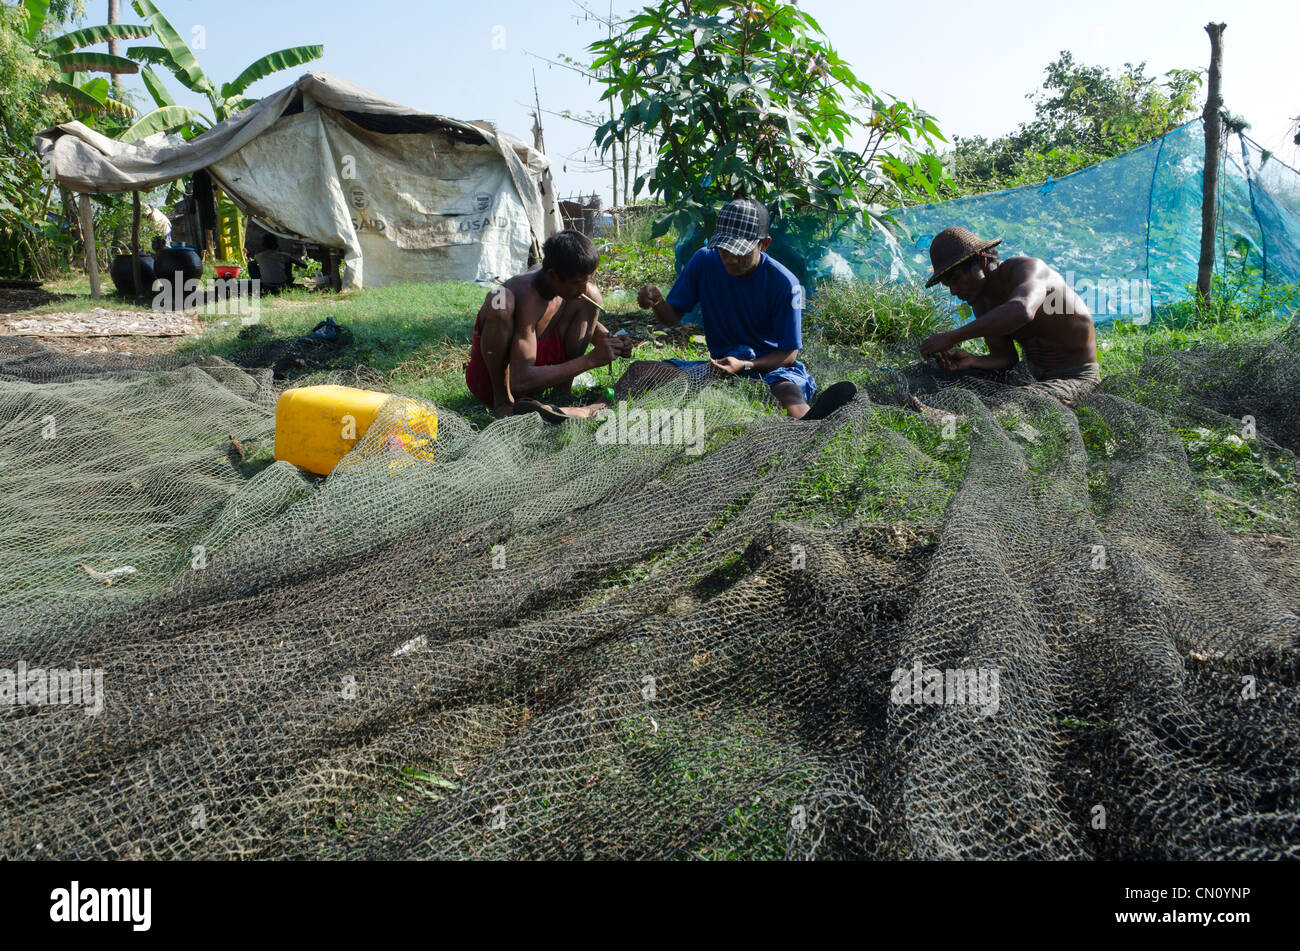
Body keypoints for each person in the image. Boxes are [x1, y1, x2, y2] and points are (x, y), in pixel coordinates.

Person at [632, 198, 853, 420]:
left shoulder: (786, 284)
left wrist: (746, 365)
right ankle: (599, 408)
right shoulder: (704, 262)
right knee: (640, 371)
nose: (730, 259)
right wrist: (658, 303)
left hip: (771, 368)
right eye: (724, 249)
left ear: (764, 244)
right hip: (719, 367)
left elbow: (788, 353)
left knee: (788, 391)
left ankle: (808, 424)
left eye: (741, 252)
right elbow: (671, 317)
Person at [918, 227, 1100, 405]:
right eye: (946, 284)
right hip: (1030, 373)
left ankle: (953, 419)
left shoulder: (1027, 269)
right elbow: (1005, 357)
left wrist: (952, 336)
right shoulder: (981, 301)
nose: (953, 290)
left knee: (1015, 402)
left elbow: (1022, 310)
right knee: (946, 378)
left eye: (956, 278)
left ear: (981, 262)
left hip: (1076, 376)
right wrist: (972, 360)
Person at [464, 229, 633, 419]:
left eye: (587, 280)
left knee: (591, 296)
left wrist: (610, 341)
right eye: (578, 282)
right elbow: (519, 381)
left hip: (539, 375)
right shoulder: (526, 295)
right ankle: (502, 402)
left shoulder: (563, 283)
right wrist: (590, 359)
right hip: (498, 381)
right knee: (499, 301)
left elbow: (586, 324)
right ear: (553, 275)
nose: (583, 288)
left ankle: (561, 393)